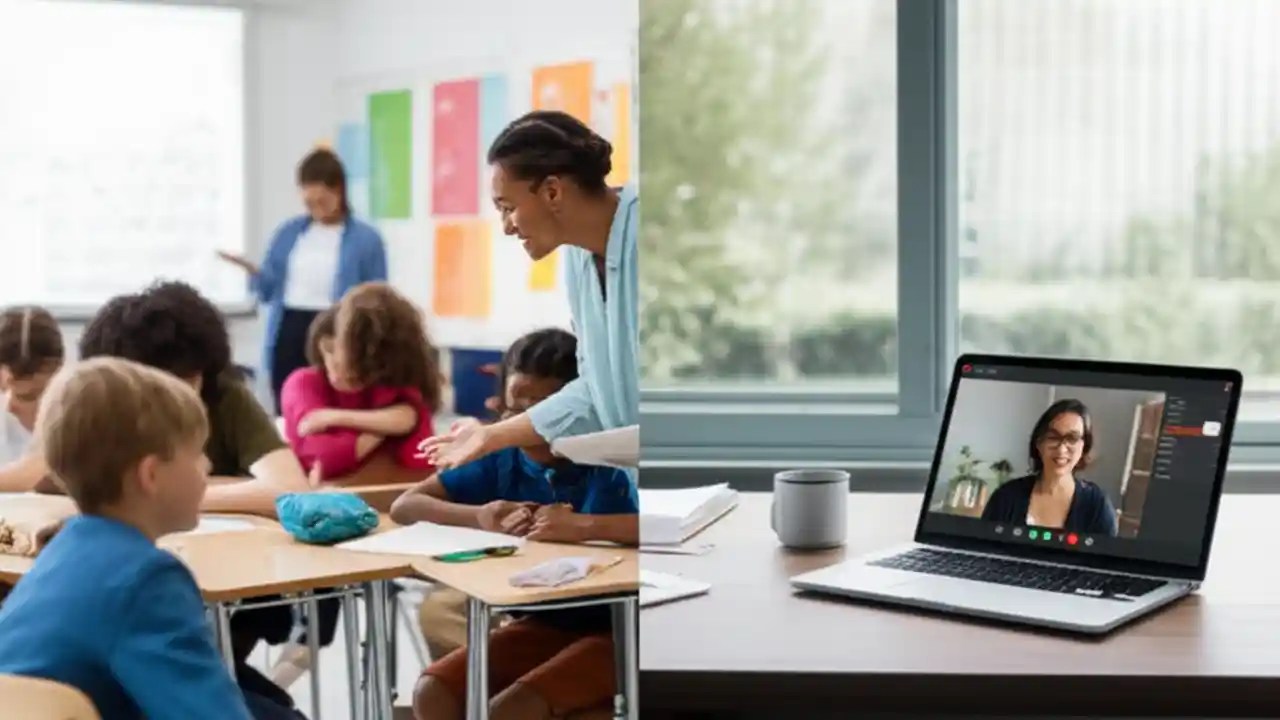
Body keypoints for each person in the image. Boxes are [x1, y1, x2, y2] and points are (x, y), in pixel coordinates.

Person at [0, 357, 302, 720]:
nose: (207, 468)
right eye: (196, 454)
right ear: (151, 475)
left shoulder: (57, 555)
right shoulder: (148, 579)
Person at [77, 280, 313, 708]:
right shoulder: (104, 415)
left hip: (225, 583)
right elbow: (81, 495)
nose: (188, 395)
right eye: (172, 384)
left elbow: (288, 488)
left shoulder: (223, 395)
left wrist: (171, 496)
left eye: (194, 380)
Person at [390, 328, 638, 720]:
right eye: (512, 409)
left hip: (620, 629)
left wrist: (583, 526)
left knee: (513, 708)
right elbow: (406, 505)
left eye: (540, 412)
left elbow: (655, 530)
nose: (523, 424)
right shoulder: (500, 454)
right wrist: (478, 516)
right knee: (432, 691)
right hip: (547, 622)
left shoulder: (608, 461)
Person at [422, 110, 638, 476]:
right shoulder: (577, 257)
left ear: (553, 191)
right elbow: (593, 388)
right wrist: (491, 436)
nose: (507, 227)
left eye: (508, 208)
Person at [217, 148, 388, 414]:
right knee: (288, 399)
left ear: (339, 191)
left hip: (336, 327)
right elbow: (267, 291)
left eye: (322, 201)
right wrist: (252, 271)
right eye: (309, 203)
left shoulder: (366, 239)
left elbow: (378, 295)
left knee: (332, 399)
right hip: (290, 325)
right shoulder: (288, 233)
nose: (316, 209)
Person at [280, 283, 442, 480]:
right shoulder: (304, 383)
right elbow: (324, 457)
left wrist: (334, 418)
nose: (336, 363)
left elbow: (417, 447)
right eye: (328, 350)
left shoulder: (386, 387)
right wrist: (383, 429)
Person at [981, 399, 1120, 536]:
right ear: (1039, 443)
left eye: (1072, 438)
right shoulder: (1006, 496)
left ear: (1084, 447)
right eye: (1053, 437)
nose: (1061, 449)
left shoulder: (1097, 505)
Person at [0, 306, 64, 489]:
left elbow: (41, 473)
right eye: (3, 389)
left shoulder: (78, 409)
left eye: (28, 396)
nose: (10, 406)